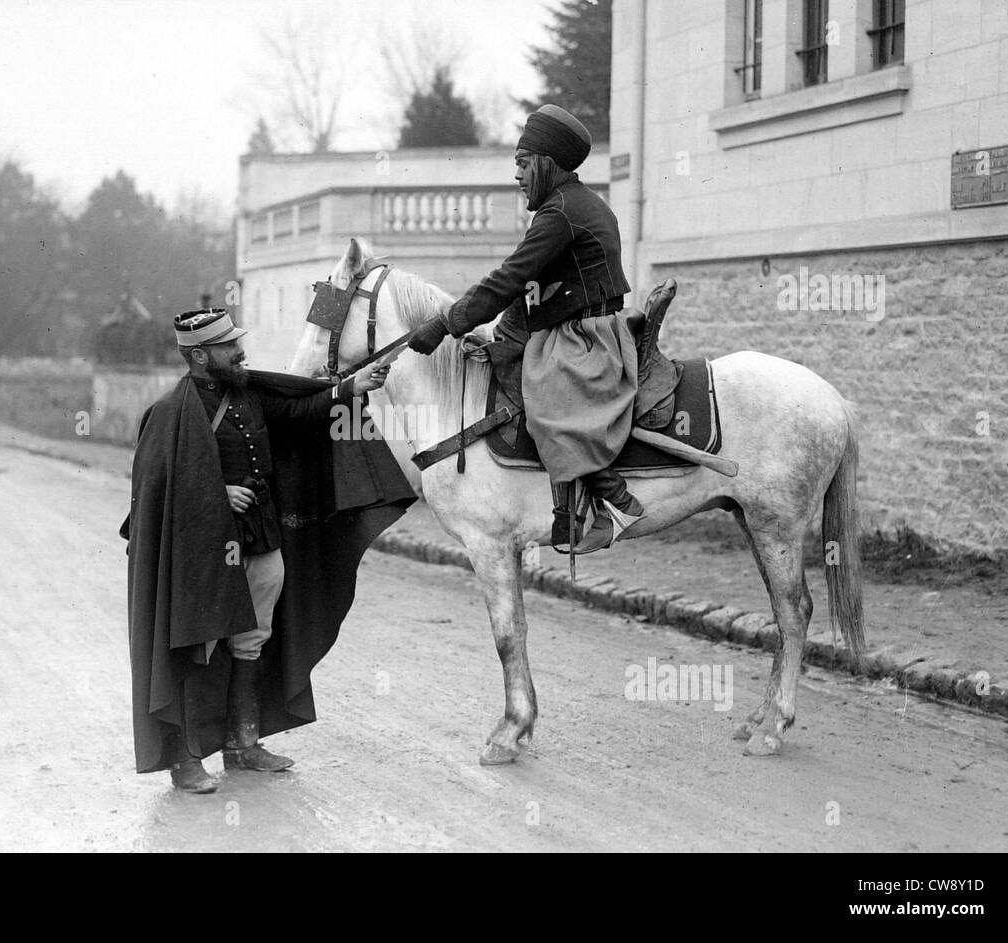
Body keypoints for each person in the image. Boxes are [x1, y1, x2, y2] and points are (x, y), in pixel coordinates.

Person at [121, 308, 412, 794]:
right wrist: (218, 492)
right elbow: (158, 492)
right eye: (227, 346)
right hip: (203, 556)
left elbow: (300, 413)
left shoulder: (250, 394)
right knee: (201, 646)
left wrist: (353, 387)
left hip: (260, 541)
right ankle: (186, 759)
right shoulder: (170, 412)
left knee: (253, 639)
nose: (239, 350)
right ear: (199, 355)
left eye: (236, 341)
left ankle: (242, 744)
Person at [407, 103, 643, 554]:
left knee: (542, 400)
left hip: (589, 337)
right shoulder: (564, 206)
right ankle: (563, 509)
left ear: (545, 163)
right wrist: (495, 337)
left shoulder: (562, 214)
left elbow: (509, 277)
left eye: (521, 162)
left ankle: (616, 502)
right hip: (572, 330)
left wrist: (444, 324)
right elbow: (527, 289)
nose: (516, 175)